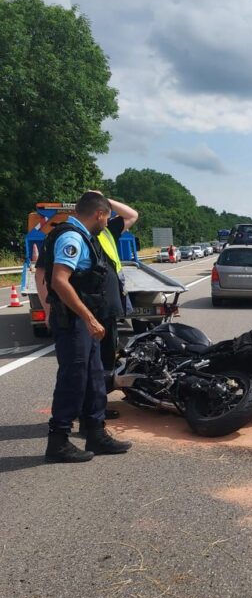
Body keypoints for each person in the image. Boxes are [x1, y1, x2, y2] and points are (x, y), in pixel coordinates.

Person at [41, 191, 132, 463]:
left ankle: (96, 432)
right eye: (106, 217)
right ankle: (58, 442)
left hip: (84, 321)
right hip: (74, 322)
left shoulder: (84, 236)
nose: (107, 222)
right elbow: (59, 280)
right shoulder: (71, 237)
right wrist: (89, 318)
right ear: (100, 214)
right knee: (74, 378)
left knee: (94, 377)